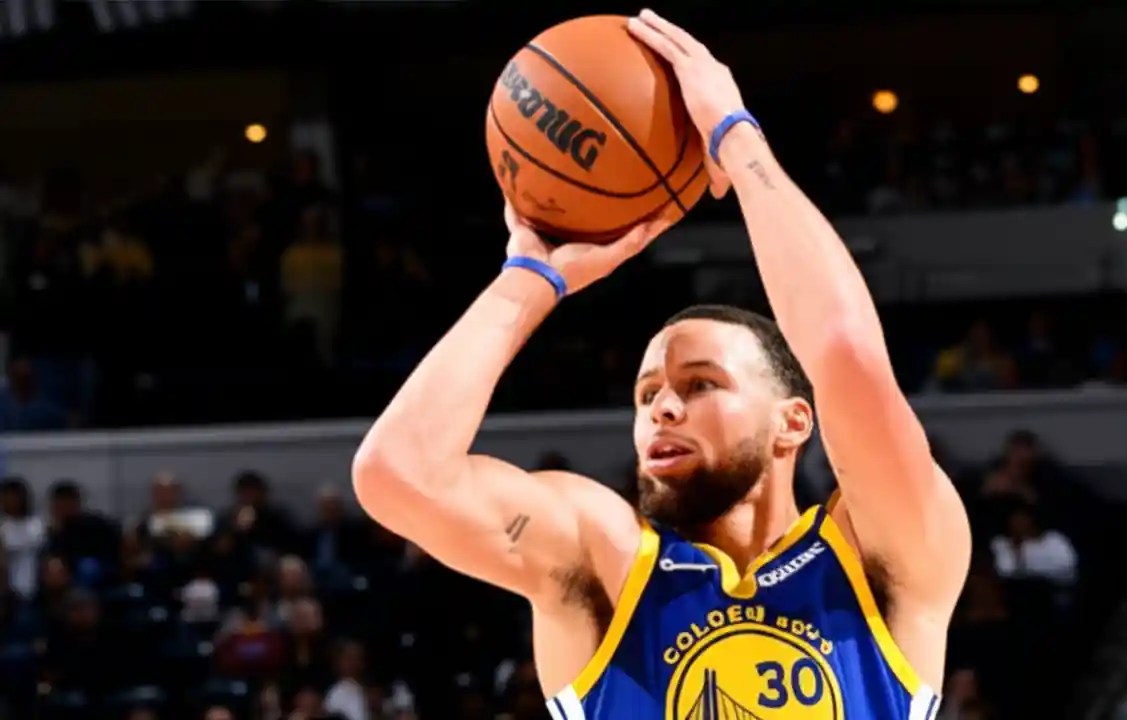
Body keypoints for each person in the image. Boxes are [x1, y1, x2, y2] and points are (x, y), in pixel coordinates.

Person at [353, 10, 970, 719]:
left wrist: (737, 141)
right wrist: (528, 279)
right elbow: (397, 475)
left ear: (794, 421)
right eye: (647, 395)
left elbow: (845, 352)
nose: (662, 409)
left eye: (701, 383)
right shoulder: (603, 562)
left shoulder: (883, 554)